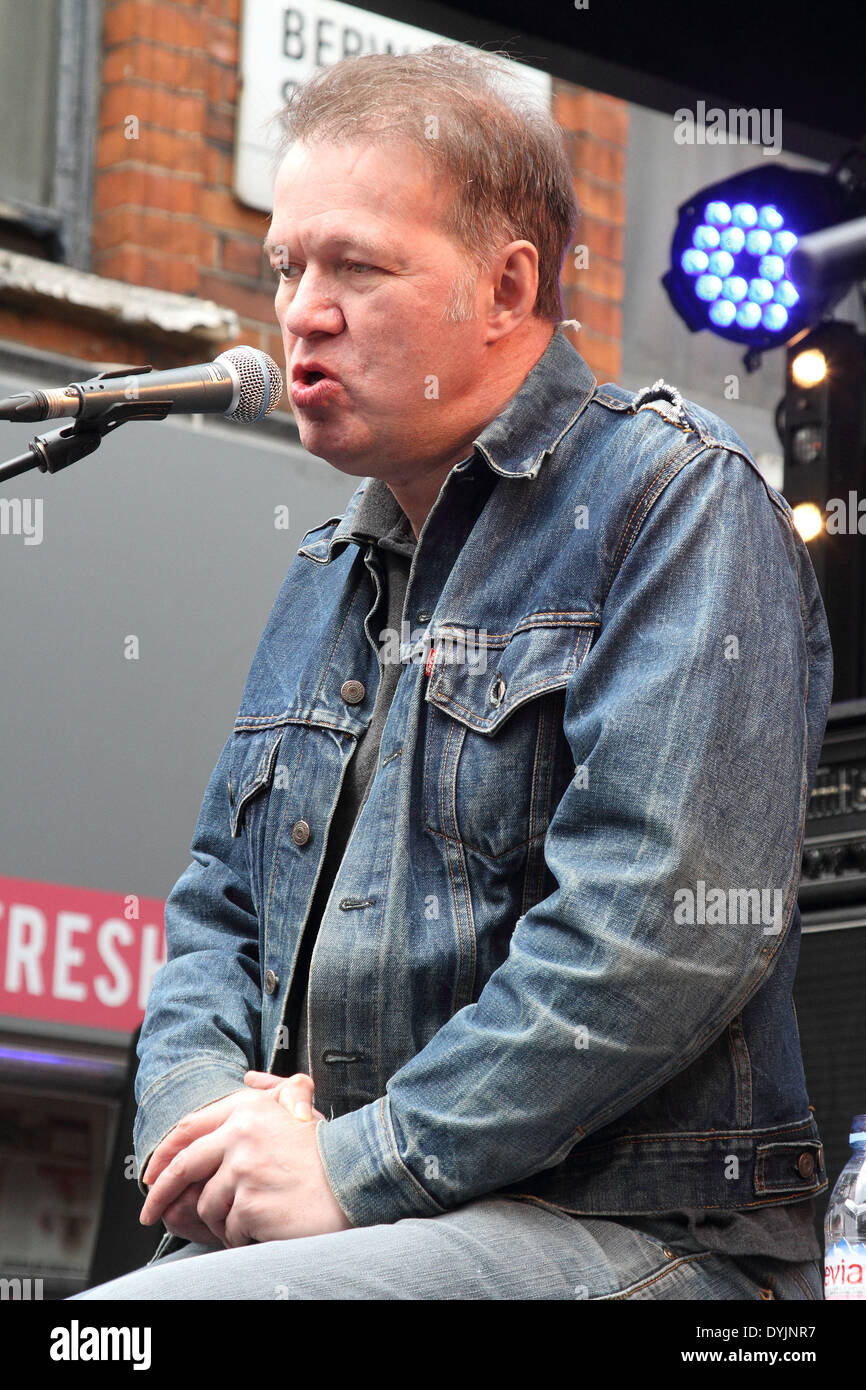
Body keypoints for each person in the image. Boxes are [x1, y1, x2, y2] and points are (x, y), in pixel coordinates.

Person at [73, 44, 832, 1301]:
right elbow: (216, 909)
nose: (302, 311)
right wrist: (204, 1127)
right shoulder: (327, 570)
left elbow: (657, 926)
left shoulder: (673, 502)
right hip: (366, 1226)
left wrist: (358, 1164)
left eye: (356, 267)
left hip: (642, 1238)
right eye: (286, 267)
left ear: (506, 285)